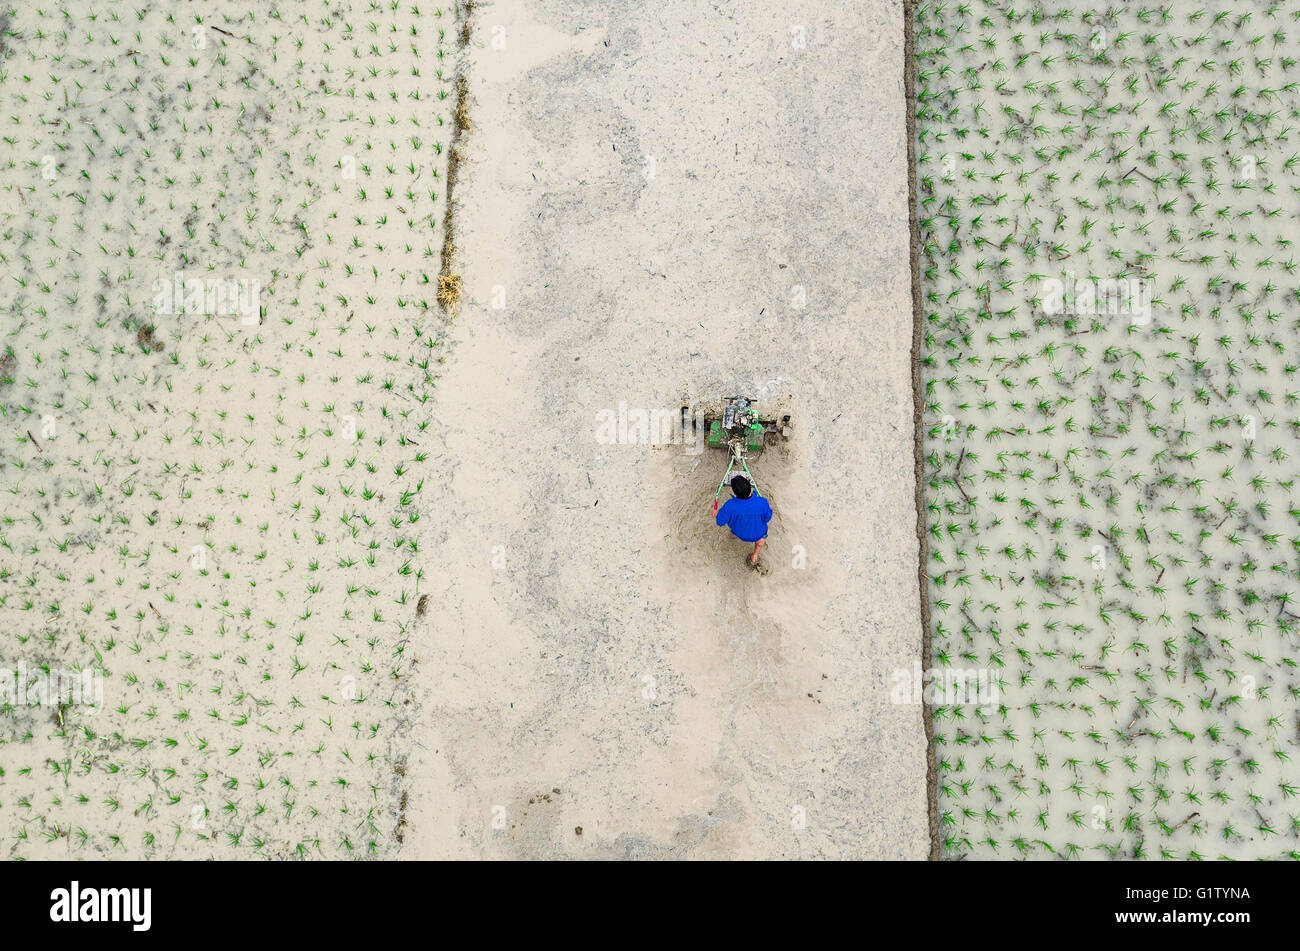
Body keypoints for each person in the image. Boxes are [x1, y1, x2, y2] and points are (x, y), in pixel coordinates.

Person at [712, 475, 772, 566]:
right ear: (750, 487)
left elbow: (720, 522)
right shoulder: (762, 502)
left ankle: (732, 537)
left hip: (739, 533)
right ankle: (755, 556)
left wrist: (715, 514)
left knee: (733, 532)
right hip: (758, 534)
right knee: (760, 542)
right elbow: (767, 518)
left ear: (735, 493)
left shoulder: (730, 505)